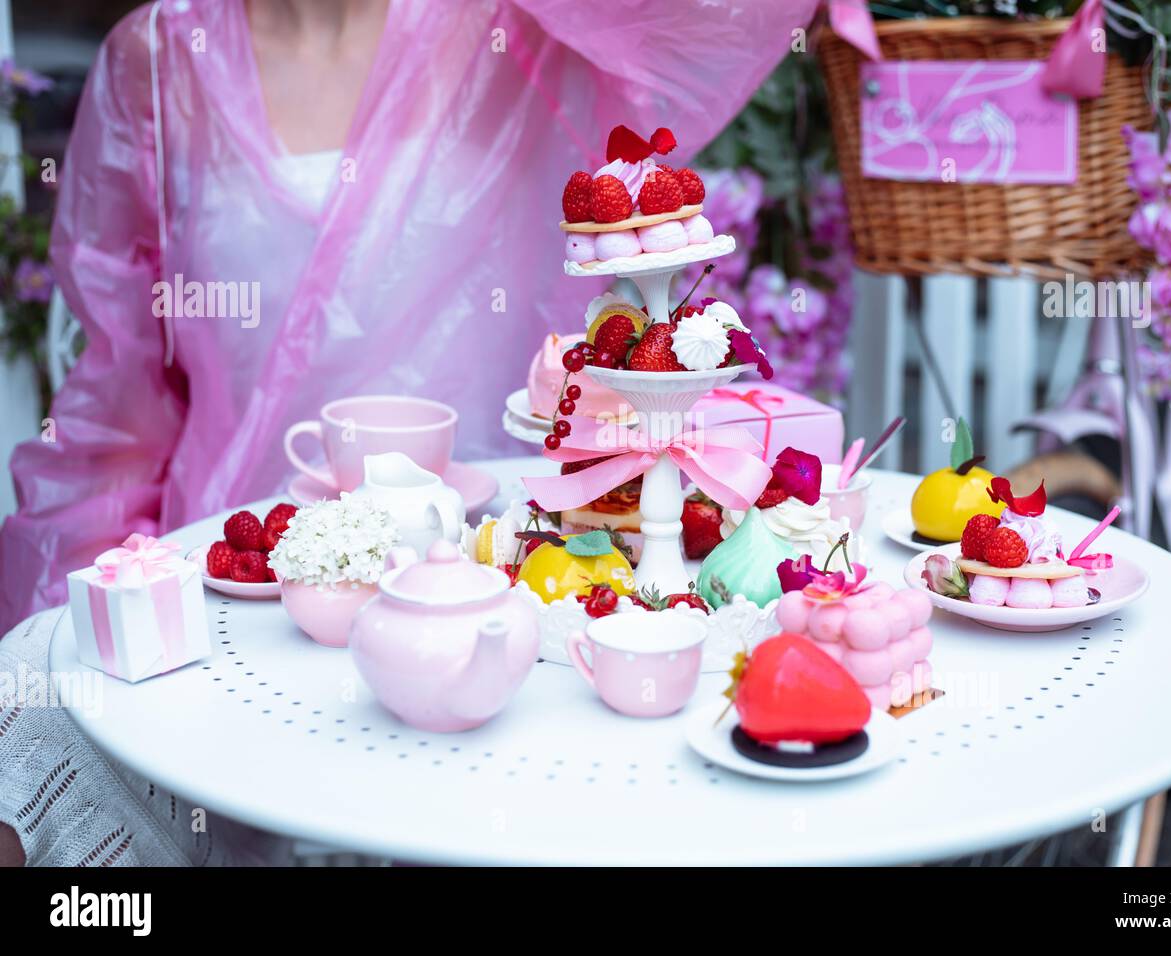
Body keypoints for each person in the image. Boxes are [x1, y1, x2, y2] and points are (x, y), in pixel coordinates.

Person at [0, 0, 814, 865]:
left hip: (494, 612)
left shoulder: (522, 24)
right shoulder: (157, 56)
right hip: (242, 613)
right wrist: (82, 625)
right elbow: (116, 404)